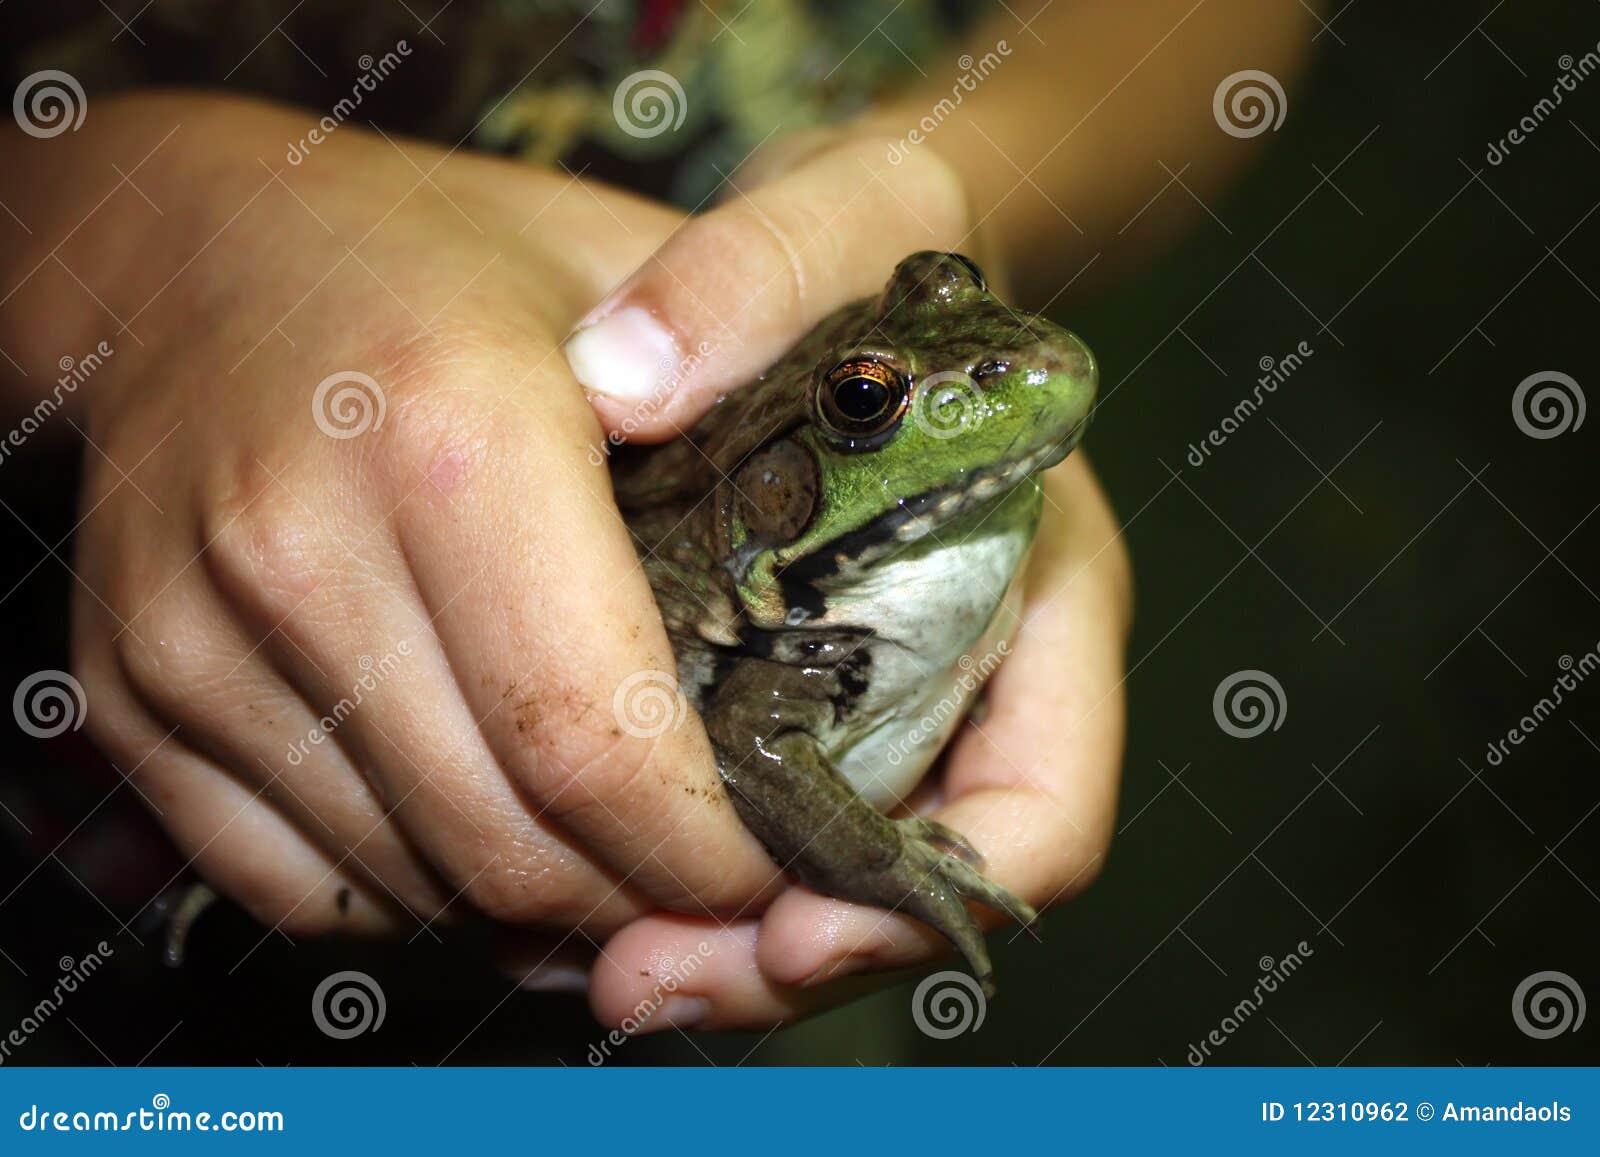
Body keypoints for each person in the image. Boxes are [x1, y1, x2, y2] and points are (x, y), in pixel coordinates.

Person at [0, 0, 1313, 1032]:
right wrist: (133, 248)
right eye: (868, 401)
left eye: (954, 291)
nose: (1010, 365)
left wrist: (953, 174)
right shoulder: (784, 639)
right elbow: (757, 746)